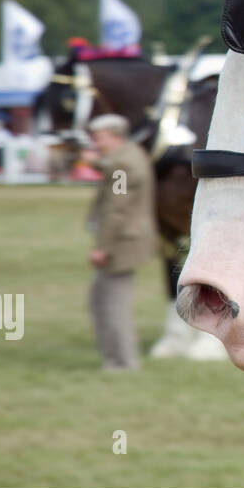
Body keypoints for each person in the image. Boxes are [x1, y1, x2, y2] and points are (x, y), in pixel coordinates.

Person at [84, 114, 156, 370]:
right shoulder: (130, 155)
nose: (95, 142)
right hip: (129, 238)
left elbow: (117, 208)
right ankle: (117, 359)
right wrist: (99, 164)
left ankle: (122, 361)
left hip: (121, 242)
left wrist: (103, 247)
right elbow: (118, 180)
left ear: (115, 135)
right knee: (104, 299)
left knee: (111, 303)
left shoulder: (121, 165)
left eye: (99, 137)